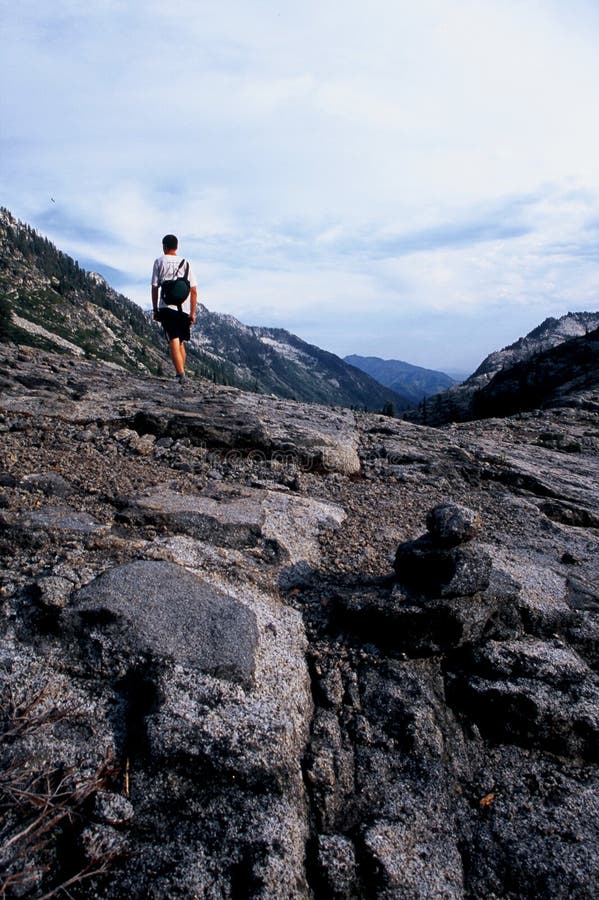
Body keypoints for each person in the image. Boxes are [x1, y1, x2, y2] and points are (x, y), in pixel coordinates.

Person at [151, 234, 198, 385]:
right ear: (177, 247)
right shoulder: (186, 264)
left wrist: (155, 309)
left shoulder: (159, 261)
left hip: (167, 307)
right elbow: (194, 291)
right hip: (183, 308)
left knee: (173, 339)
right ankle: (182, 373)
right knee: (181, 341)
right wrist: (192, 313)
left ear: (164, 246)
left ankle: (180, 375)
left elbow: (154, 287)